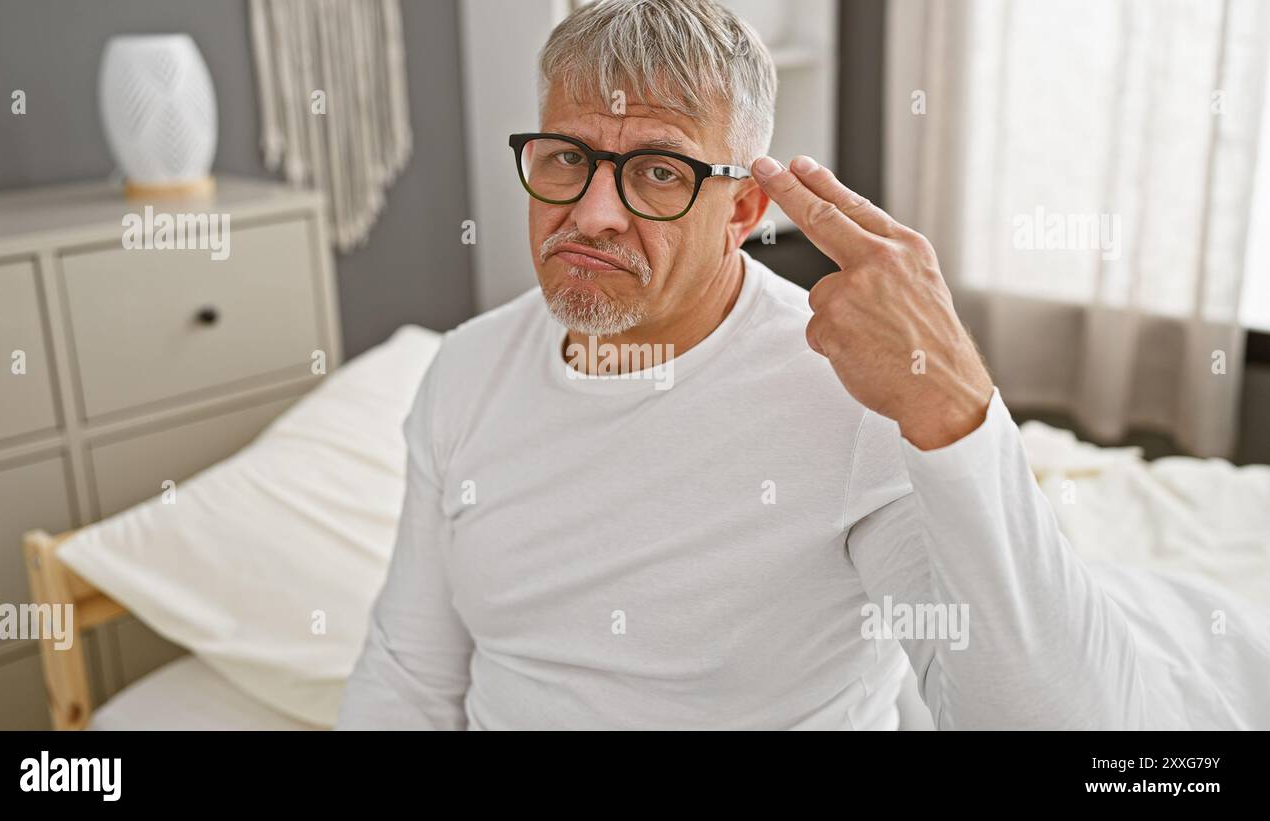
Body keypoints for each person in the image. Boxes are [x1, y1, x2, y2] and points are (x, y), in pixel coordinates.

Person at [336, 0, 1145, 730]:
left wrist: (952, 402)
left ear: (746, 211)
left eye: (660, 172)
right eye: (565, 158)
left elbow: (1059, 723)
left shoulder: (855, 398)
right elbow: (409, 676)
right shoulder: (466, 371)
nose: (592, 214)